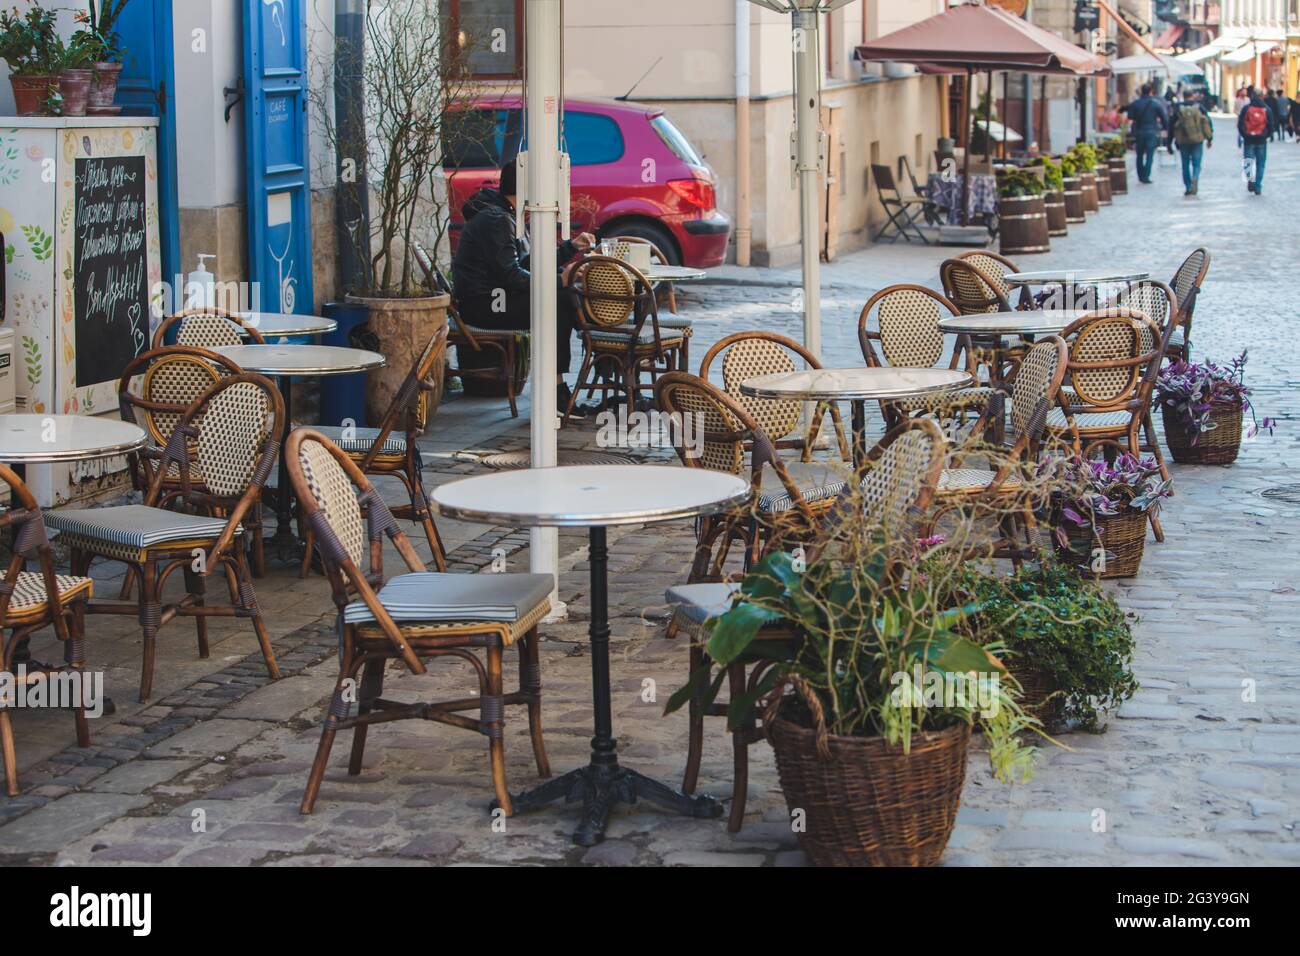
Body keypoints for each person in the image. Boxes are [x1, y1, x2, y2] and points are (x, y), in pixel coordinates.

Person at [452, 158, 596, 414]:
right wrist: (560, 278)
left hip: (496, 297)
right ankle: (558, 388)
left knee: (566, 295)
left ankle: (570, 381)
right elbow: (512, 275)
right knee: (560, 302)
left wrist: (569, 251)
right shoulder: (498, 220)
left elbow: (528, 263)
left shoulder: (506, 214)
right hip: (485, 305)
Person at [1124, 83, 1169, 183]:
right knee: (1150, 154)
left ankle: (1140, 176)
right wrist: (1165, 129)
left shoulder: (1136, 103)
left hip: (1139, 131)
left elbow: (1130, 116)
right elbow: (1164, 118)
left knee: (1139, 154)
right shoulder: (1156, 104)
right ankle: (1146, 175)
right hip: (1152, 131)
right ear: (1150, 91)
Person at [1172, 88, 1213, 195]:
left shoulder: (1178, 108)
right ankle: (1195, 177)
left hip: (1183, 140)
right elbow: (1207, 122)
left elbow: (1171, 125)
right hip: (1197, 139)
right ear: (1192, 96)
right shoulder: (1199, 107)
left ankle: (1188, 186)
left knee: (1185, 164)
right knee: (1196, 163)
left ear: (1183, 96)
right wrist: (1209, 138)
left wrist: (1169, 142)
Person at [1238, 86, 1276, 195]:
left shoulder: (1246, 108)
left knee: (1248, 161)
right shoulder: (1267, 109)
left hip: (1249, 139)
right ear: (1262, 96)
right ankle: (1258, 186)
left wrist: (1245, 135)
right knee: (1261, 163)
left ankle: (1250, 179)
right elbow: (1271, 126)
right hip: (1261, 140)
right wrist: (1266, 136)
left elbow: (1241, 124)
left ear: (1252, 95)